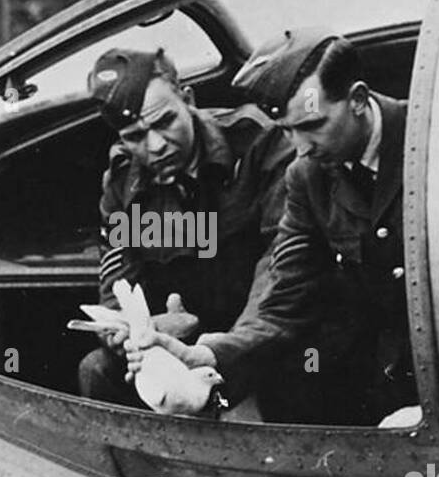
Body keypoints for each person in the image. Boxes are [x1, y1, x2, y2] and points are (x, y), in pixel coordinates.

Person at [126, 28, 417, 425]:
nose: (301, 148)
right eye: (288, 131)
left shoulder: (431, 141)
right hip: (379, 368)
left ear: (359, 100)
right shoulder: (307, 176)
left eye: (313, 124)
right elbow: (285, 297)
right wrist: (212, 356)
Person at [77, 47, 293, 408]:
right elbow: (118, 283)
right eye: (134, 136)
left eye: (164, 122)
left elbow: (281, 263)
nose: (155, 146)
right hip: (181, 339)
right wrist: (136, 333)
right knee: (96, 371)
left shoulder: (258, 145)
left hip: (264, 332)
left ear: (187, 98)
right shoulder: (123, 184)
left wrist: (219, 348)